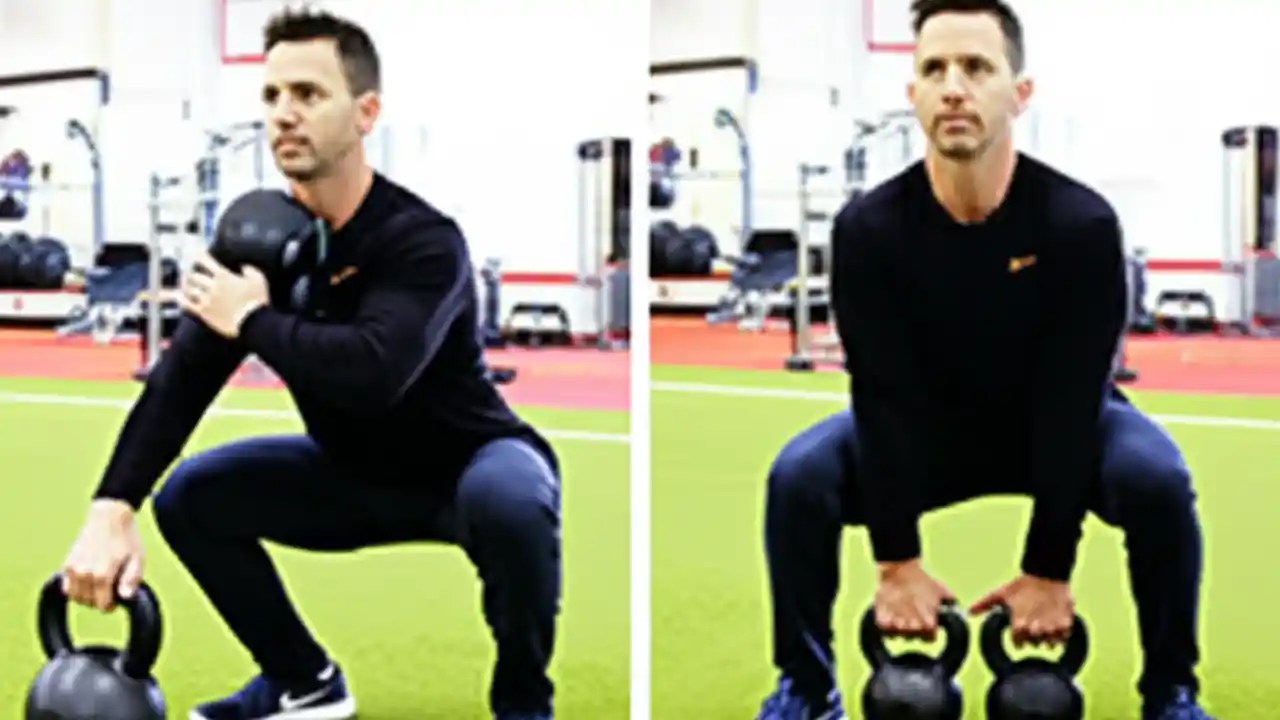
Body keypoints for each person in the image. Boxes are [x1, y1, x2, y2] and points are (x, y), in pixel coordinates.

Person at [58, 9, 560, 720]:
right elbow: (181, 382)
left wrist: (255, 321)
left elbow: (374, 371)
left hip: (468, 466)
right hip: (350, 472)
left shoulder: (421, 241)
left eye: (308, 94)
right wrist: (110, 510)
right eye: (271, 98)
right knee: (190, 499)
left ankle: (522, 704)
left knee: (514, 503)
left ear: (366, 112)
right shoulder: (254, 237)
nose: (284, 115)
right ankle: (303, 679)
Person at [755, 2, 1215, 719]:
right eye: (934, 69)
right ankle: (806, 690)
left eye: (976, 67)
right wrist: (897, 564)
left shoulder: (1080, 226)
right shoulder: (870, 231)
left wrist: (1047, 571)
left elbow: (1071, 405)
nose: (954, 87)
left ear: (1018, 92)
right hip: (926, 432)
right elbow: (879, 398)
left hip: (1060, 426)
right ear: (912, 94)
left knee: (1157, 480)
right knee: (798, 478)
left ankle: (1171, 694)